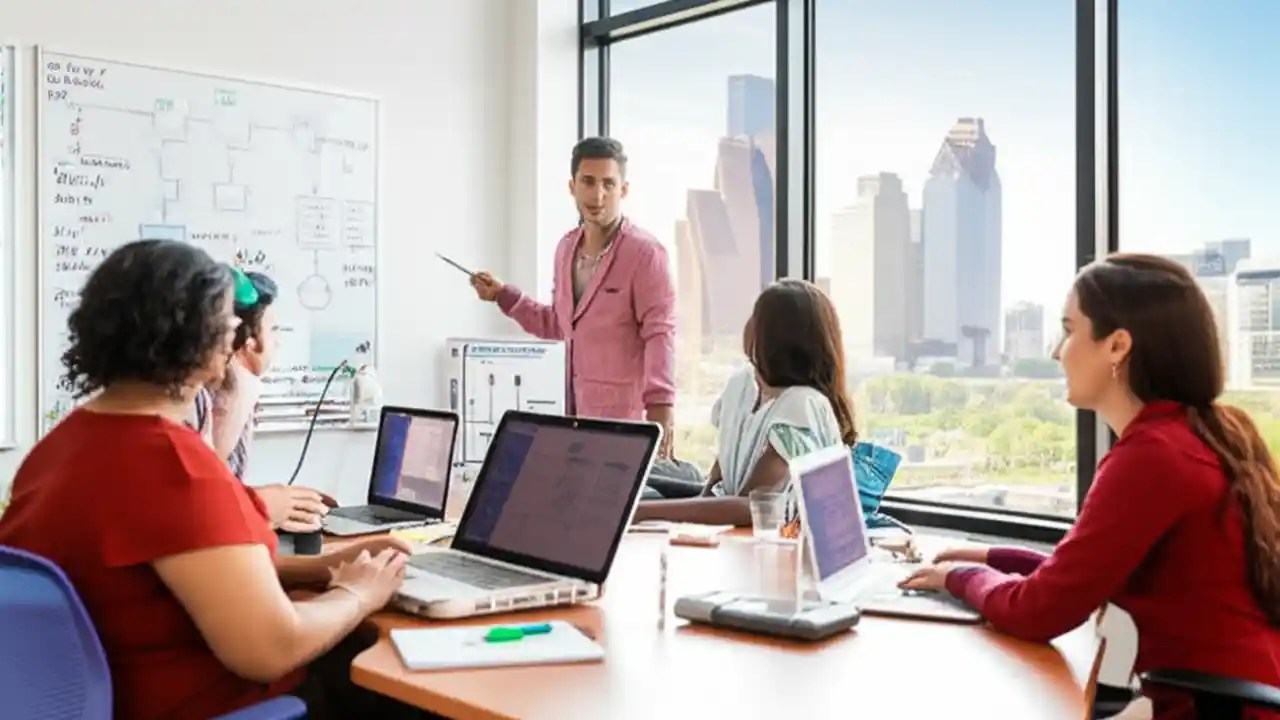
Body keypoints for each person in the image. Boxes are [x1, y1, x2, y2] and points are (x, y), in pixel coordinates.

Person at [0, 240, 426, 720]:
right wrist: (358, 595)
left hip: (118, 701)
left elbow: (170, 580)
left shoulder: (60, 448)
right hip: (220, 709)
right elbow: (271, 648)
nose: (236, 335)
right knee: (403, 688)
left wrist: (323, 568)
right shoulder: (173, 466)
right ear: (194, 335)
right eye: (228, 322)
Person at [901, 254, 1280, 719]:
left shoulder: (1152, 457)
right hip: (1232, 698)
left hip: (1211, 708)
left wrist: (959, 580)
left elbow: (1040, 611)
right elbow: (1081, 575)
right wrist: (988, 557)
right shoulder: (1202, 433)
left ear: (1117, 345)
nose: (1056, 351)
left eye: (1068, 329)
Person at [470, 136, 677, 456]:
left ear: (624, 190)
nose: (598, 195)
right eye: (588, 182)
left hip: (627, 424)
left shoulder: (646, 254)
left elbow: (660, 335)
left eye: (609, 184)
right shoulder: (566, 249)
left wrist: (662, 410)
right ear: (572, 186)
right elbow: (560, 325)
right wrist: (503, 296)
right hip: (574, 418)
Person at [632, 280, 857, 526]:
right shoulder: (742, 384)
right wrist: (693, 515)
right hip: (735, 542)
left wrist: (637, 512)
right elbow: (719, 472)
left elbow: (753, 505)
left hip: (784, 549)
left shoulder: (803, 404)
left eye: (756, 317)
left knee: (641, 494)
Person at [187, 268, 330, 533]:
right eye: (273, 330)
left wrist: (270, 507)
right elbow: (207, 488)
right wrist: (262, 506)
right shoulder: (239, 384)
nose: (277, 343)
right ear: (248, 341)